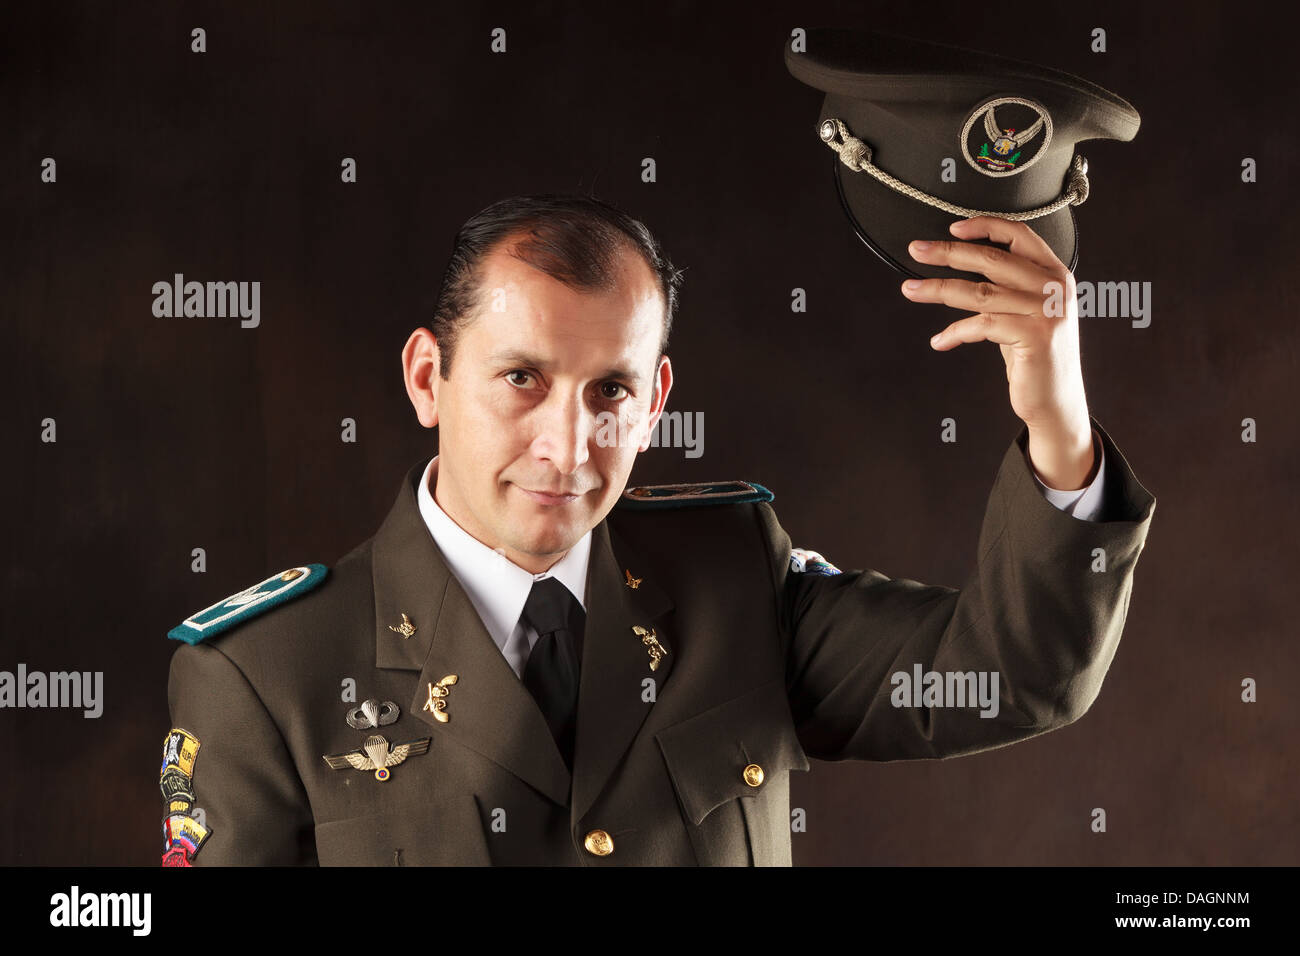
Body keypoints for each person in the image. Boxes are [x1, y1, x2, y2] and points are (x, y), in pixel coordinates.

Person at [157, 194, 1155, 866]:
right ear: (429, 377)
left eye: (610, 391)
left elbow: (1015, 674)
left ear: (655, 400)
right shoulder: (270, 672)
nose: (567, 443)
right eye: (522, 379)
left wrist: (1055, 414)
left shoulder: (732, 580)